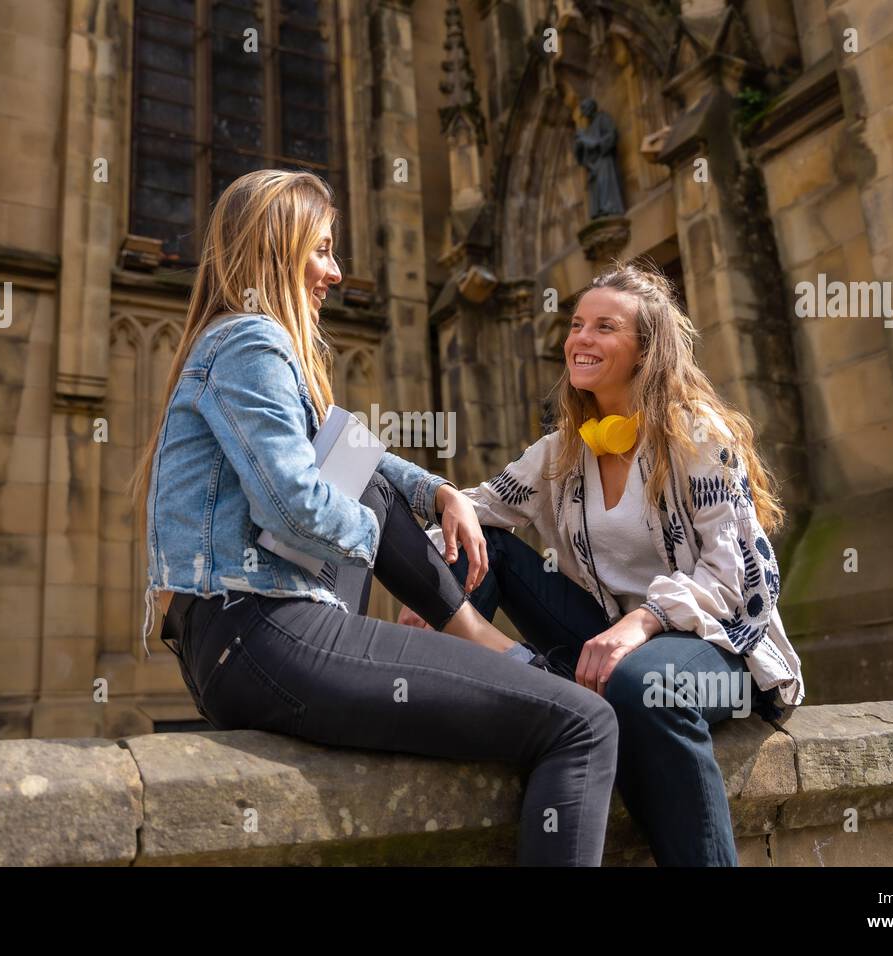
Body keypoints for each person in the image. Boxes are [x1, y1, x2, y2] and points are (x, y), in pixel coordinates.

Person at [129, 169, 619, 866]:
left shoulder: (254, 348)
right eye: (322, 250)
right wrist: (383, 541)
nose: (335, 272)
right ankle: (485, 640)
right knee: (586, 722)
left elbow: (357, 456)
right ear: (277, 246)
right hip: (264, 629)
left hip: (249, 639)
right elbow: (290, 504)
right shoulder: (249, 344)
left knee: (358, 462)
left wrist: (437, 494)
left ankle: (485, 641)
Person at [399, 260, 806, 865]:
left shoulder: (696, 436)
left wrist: (643, 623)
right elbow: (479, 508)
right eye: (577, 324)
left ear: (646, 350)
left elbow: (741, 582)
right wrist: (429, 581)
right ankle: (442, 712)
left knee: (643, 685)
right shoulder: (562, 451)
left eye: (604, 328)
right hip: (601, 641)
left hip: (716, 644)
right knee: (483, 538)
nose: (580, 340)